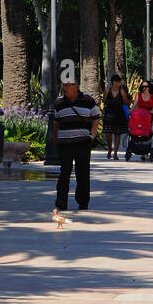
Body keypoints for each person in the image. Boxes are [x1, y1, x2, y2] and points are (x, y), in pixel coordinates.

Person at [50, 75, 100, 223]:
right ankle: (61, 201)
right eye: (64, 85)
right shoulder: (59, 102)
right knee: (64, 171)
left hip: (83, 143)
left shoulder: (88, 100)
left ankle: (83, 202)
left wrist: (92, 136)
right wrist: (54, 139)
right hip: (65, 144)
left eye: (68, 85)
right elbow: (55, 122)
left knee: (82, 172)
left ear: (76, 85)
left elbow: (96, 117)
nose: (65, 88)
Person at [102, 74, 130, 160]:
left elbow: (125, 102)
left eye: (118, 82)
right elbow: (104, 100)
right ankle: (110, 149)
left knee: (117, 134)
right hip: (109, 114)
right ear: (112, 82)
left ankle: (115, 153)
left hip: (119, 115)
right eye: (115, 81)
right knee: (108, 134)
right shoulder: (107, 90)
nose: (117, 84)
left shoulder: (121, 91)